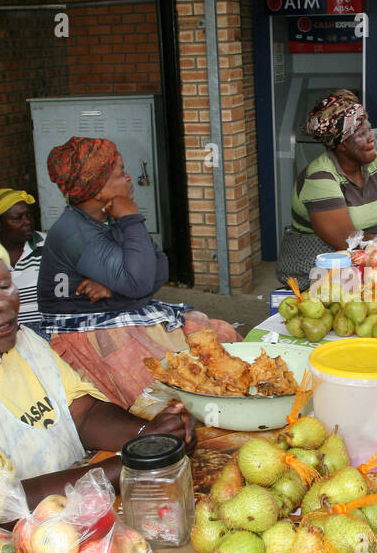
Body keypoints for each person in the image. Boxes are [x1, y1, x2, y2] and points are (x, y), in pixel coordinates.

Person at [0, 213, 196, 553]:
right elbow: (1, 509)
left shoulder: (24, 345)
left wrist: (151, 437)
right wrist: (133, 465)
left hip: (71, 546)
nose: (2, 303)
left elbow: (82, 412)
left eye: (5, 284)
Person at [37, 137, 238, 403]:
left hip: (117, 315)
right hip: (88, 334)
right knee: (170, 392)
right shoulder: (74, 231)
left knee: (223, 339)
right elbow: (141, 283)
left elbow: (160, 270)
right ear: (98, 189)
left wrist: (114, 290)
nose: (129, 177)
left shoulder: (108, 219)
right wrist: (132, 220)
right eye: (121, 172)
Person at [276, 90, 377, 286]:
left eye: (369, 130)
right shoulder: (320, 177)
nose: (371, 137)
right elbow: (349, 243)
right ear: (340, 145)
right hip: (320, 273)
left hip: (372, 263)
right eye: (361, 134)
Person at [0, 188, 45, 330]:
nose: (27, 222)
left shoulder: (49, 246)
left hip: (47, 332)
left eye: (29, 215)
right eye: (18, 218)